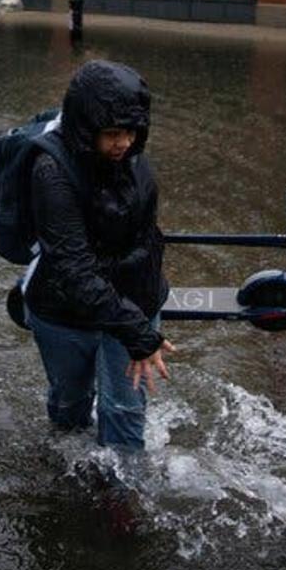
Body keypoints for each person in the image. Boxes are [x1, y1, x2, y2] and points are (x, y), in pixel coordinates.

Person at [26, 59, 175, 452]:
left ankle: (122, 499)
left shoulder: (132, 156)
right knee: (70, 404)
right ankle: (68, 469)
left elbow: (147, 237)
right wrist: (139, 331)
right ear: (85, 129)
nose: (123, 143)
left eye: (130, 132)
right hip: (64, 310)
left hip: (132, 300)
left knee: (124, 411)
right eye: (111, 134)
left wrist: (140, 321)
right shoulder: (51, 174)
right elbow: (73, 270)